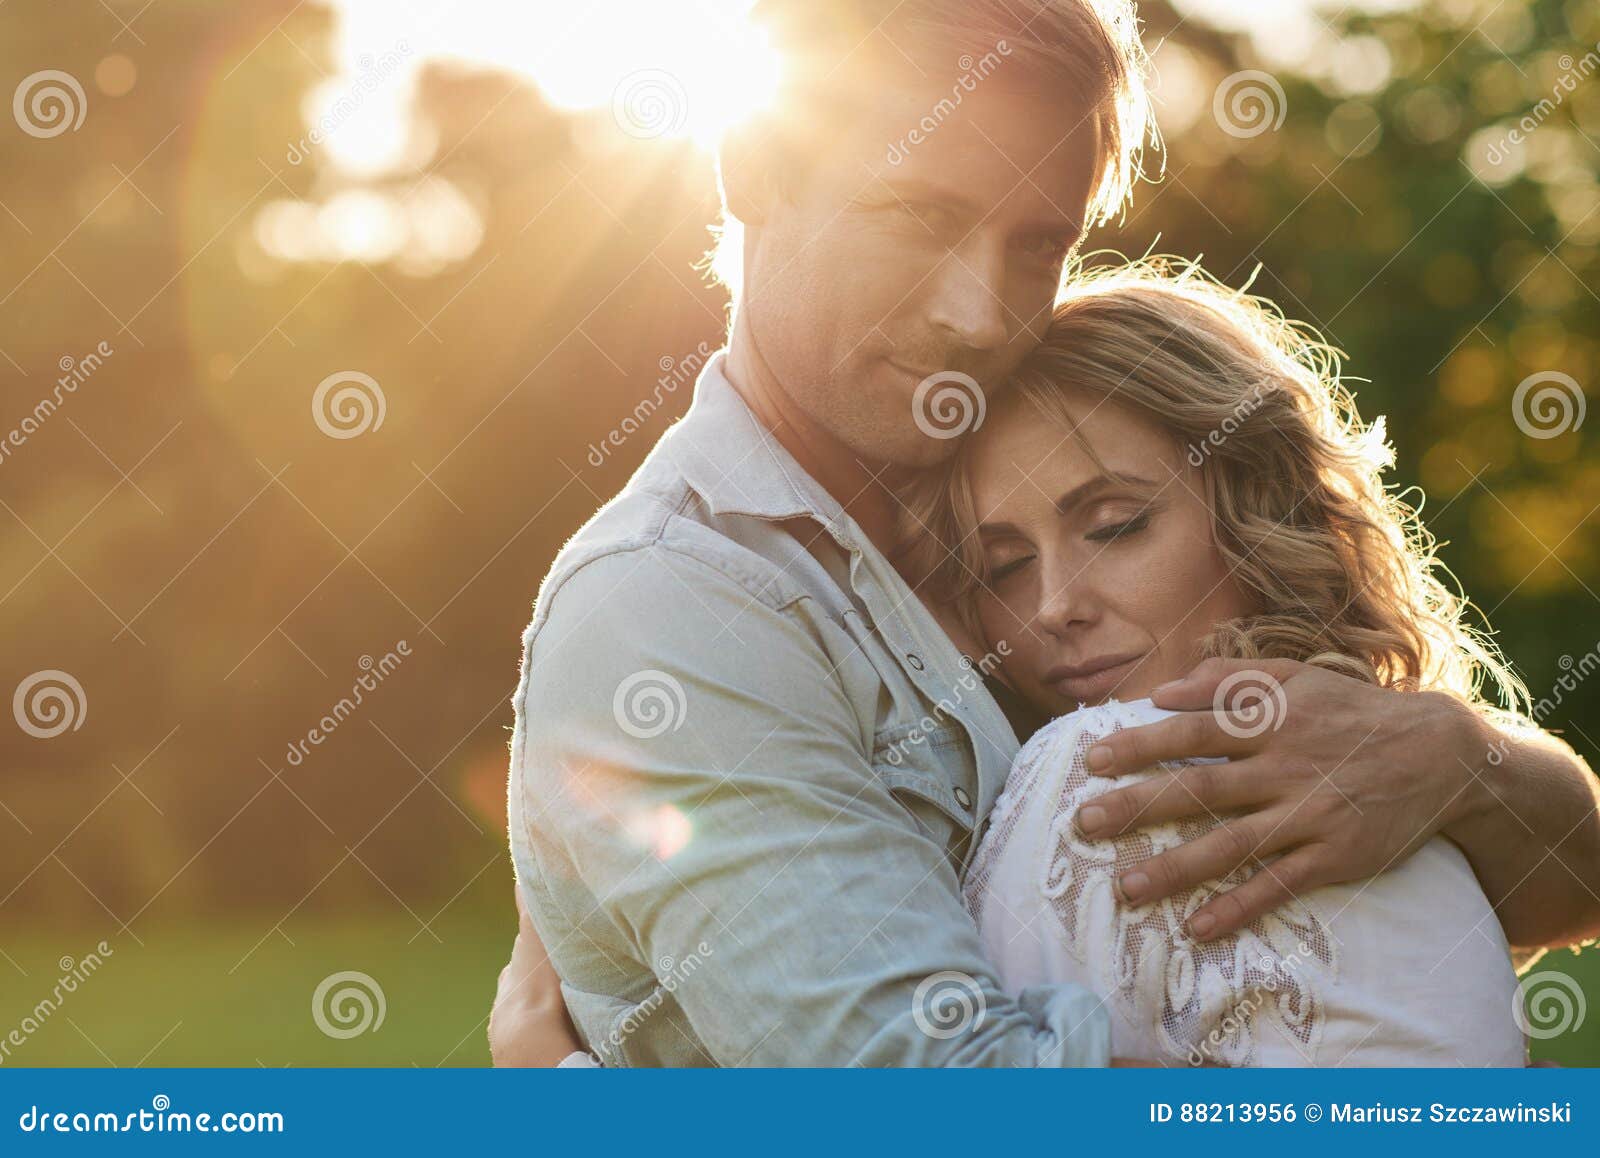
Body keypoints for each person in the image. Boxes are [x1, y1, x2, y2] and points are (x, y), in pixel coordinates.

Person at [497, 0, 1600, 1067]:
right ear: (754, 162)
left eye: (1037, 244)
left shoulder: (1028, 456)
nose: (980, 315)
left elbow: (1569, 886)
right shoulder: (671, 605)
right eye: (920, 218)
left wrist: (1464, 762)